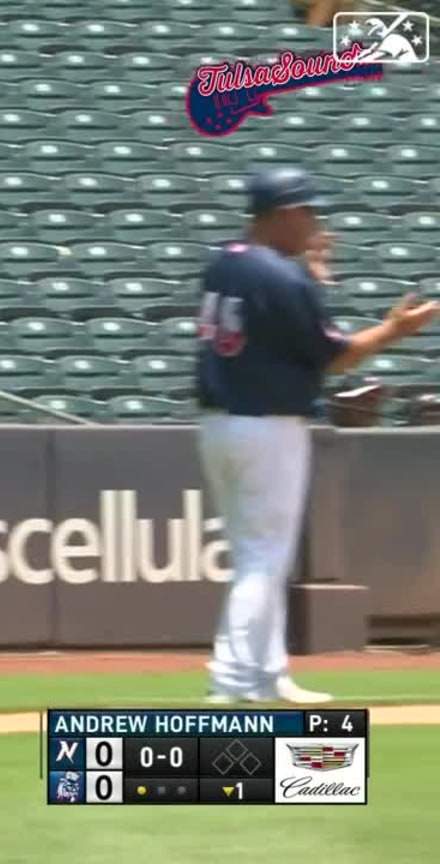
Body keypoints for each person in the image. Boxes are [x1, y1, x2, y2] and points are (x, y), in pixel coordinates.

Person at [196, 167, 438, 705]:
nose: (314, 222)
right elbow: (336, 358)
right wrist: (395, 330)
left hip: (220, 423)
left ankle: (267, 673)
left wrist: (309, 275)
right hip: (266, 427)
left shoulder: (224, 261)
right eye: (307, 211)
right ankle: (232, 679)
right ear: (284, 213)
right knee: (263, 558)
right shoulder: (282, 279)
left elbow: (272, 323)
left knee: (257, 554)